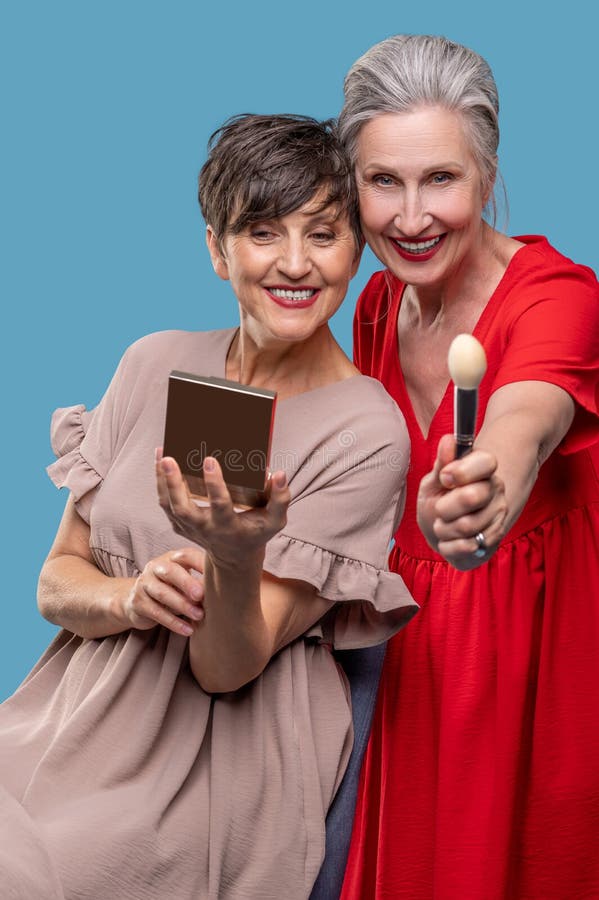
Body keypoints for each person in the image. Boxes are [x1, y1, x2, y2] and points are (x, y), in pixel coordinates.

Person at [0, 114, 417, 899]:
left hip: (207, 764)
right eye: (262, 233)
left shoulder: (365, 428)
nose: (294, 264)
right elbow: (55, 584)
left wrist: (232, 558)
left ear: (355, 252)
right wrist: (129, 595)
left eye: (323, 234)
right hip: (63, 721)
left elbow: (227, 670)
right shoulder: (153, 360)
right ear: (217, 249)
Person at [335, 34, 599, 900]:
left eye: (440, 179)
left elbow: (524, 421)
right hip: (405, 674)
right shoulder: (375, 306)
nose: (411, 218)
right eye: (384, 182)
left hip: (528, 681)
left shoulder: (561, 298)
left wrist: (475, 490)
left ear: (486, 174)